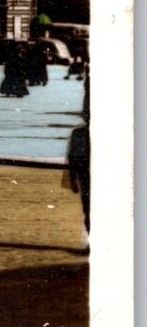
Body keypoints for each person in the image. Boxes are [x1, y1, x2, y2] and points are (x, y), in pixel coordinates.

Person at [65, 99, 91, 240]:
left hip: (84, 174)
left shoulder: (78, 133)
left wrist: (72, 179)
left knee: (88, 208)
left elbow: (73, 158)